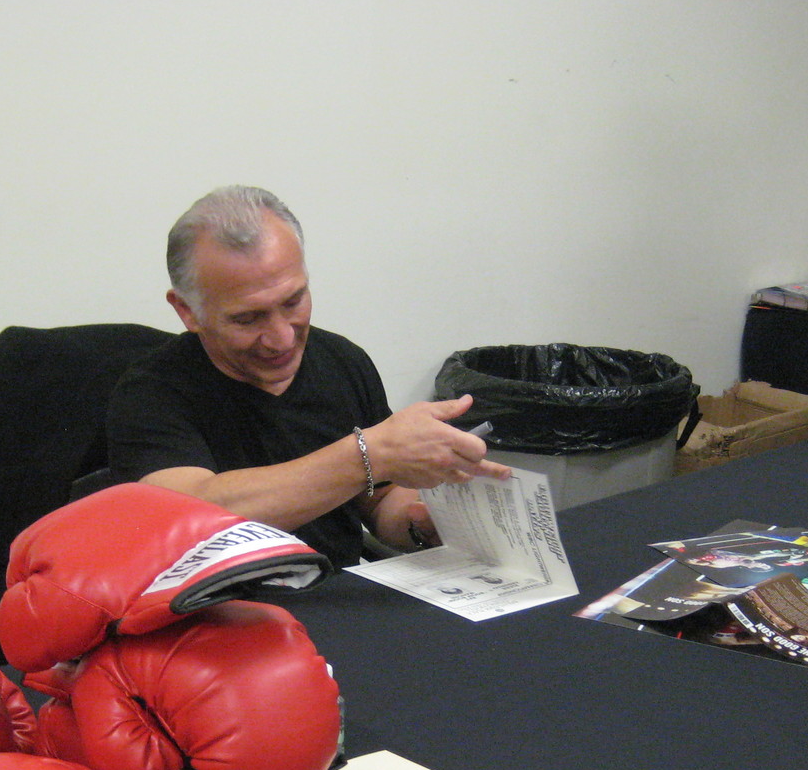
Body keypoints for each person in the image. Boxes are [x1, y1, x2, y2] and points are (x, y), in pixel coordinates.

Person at [107, 186, 509, 566]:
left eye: (294, 301)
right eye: (248, 318)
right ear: (187, 311)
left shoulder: (342, 361)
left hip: (338, 601)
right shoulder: (150, 392)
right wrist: (371, 451)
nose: (281, 338)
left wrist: (422, 521)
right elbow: (192, 518)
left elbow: (379, 498)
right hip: (221, 618)